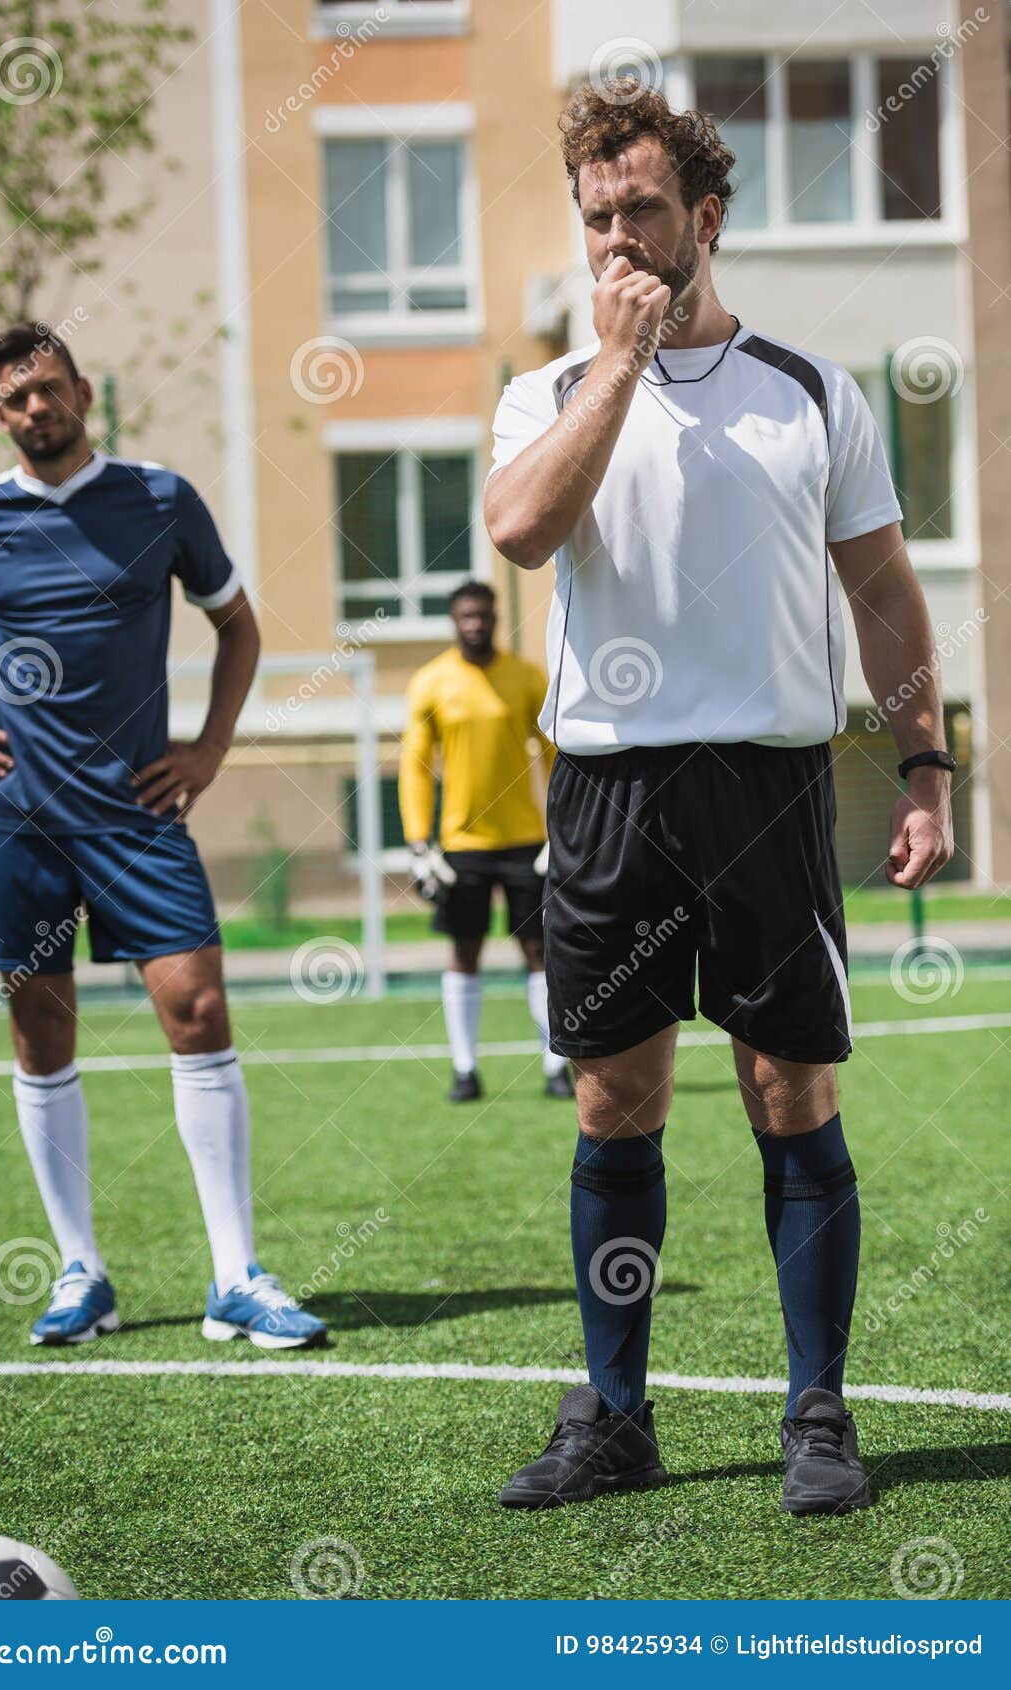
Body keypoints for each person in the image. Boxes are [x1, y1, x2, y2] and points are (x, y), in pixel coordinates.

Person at [483, 82, 954, 1514]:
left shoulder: (813, 389)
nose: (617, 236)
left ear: (706, 215)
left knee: (787, 1088)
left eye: (641, 209)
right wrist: (617, 369)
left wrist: (926, 760)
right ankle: (616, 1415)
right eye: (596, 215)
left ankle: (819, 1410)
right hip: (611, 790)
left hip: (766, 788)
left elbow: (881, 589)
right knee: (615, 1102)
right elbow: (519, 528)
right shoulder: (549, 392)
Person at [0, 323, 327, 1350]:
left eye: (51, 389)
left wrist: (206, 749)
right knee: (40, 1034)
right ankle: (82, 1272)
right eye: (17, 397)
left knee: (198, 1009)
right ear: (0, 410)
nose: (37, 409)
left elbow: (237, 623)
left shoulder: (159, 499)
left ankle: (236, 1273)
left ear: (83, 393)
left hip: (138, 812)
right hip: (16, 818)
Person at [398, 580, 572, 1102]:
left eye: (483, 615)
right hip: (461, 844)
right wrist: (417, 842)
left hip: (524, 842)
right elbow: (415, 765)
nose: (475, 623)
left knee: (539, 950)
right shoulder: (432, 682)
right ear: (454, 621)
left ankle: (554, 1066)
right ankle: (465, 1070)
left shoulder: (524, 677)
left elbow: (556, 754)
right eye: (466, 616)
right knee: (464, 950)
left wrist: (561, 831)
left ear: (496, 618)